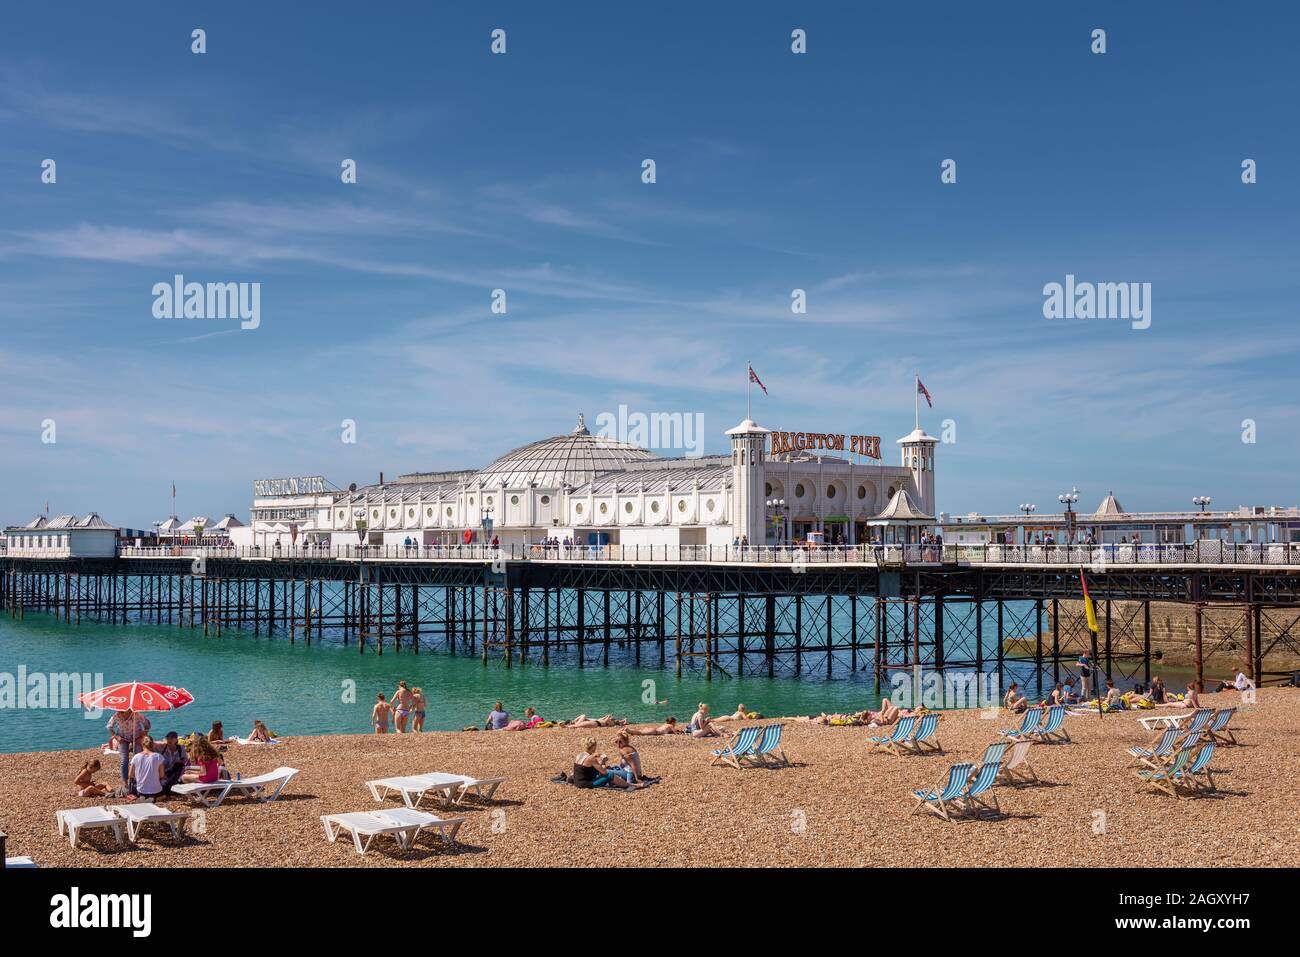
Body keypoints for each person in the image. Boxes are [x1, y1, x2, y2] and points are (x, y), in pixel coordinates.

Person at [570, 737, 644, 790]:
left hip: (577, 782)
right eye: (595, 746)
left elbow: (586, 768)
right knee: (610, 775)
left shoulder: (580, 755)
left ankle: (623, 783)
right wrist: (603, 761)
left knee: (606, 773)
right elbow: (604, 772)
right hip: (586, 784)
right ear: (593, 747)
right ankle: (632, 785)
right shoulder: (591, 758)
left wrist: (600, 763)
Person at [106, 708, 151, 789]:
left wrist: (144, 733)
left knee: (138, 759)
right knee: (124, 760)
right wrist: (116, 737)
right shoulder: (117, 715)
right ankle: (125, 783)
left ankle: (138, 780)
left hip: (136, 737)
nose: (120, 711)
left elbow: (147, 724)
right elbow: (109, 727)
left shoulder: (136, 714)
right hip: (123, 738)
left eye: (122, 710)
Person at [128, 735, 165, 800]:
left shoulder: (136, 757)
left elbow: (130, 775)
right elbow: (162, 775)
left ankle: (143, 795)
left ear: (142, 745)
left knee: (135, 785)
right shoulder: (158, 756)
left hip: (140, 789)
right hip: (156, 790)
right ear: (152, 744)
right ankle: (152, 795)